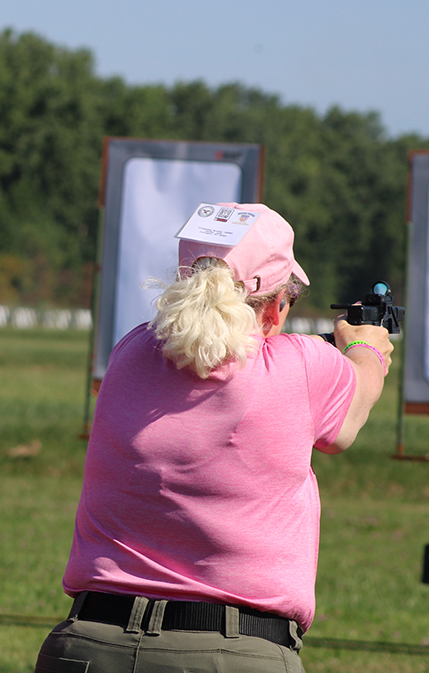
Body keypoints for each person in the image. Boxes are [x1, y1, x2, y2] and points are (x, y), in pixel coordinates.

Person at [35, 203, 393, 673]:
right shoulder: (303, 365)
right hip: (232, 652)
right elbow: (351, 415)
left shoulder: (129, 352)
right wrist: (368, 346)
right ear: (273, 305)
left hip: (87, 645)